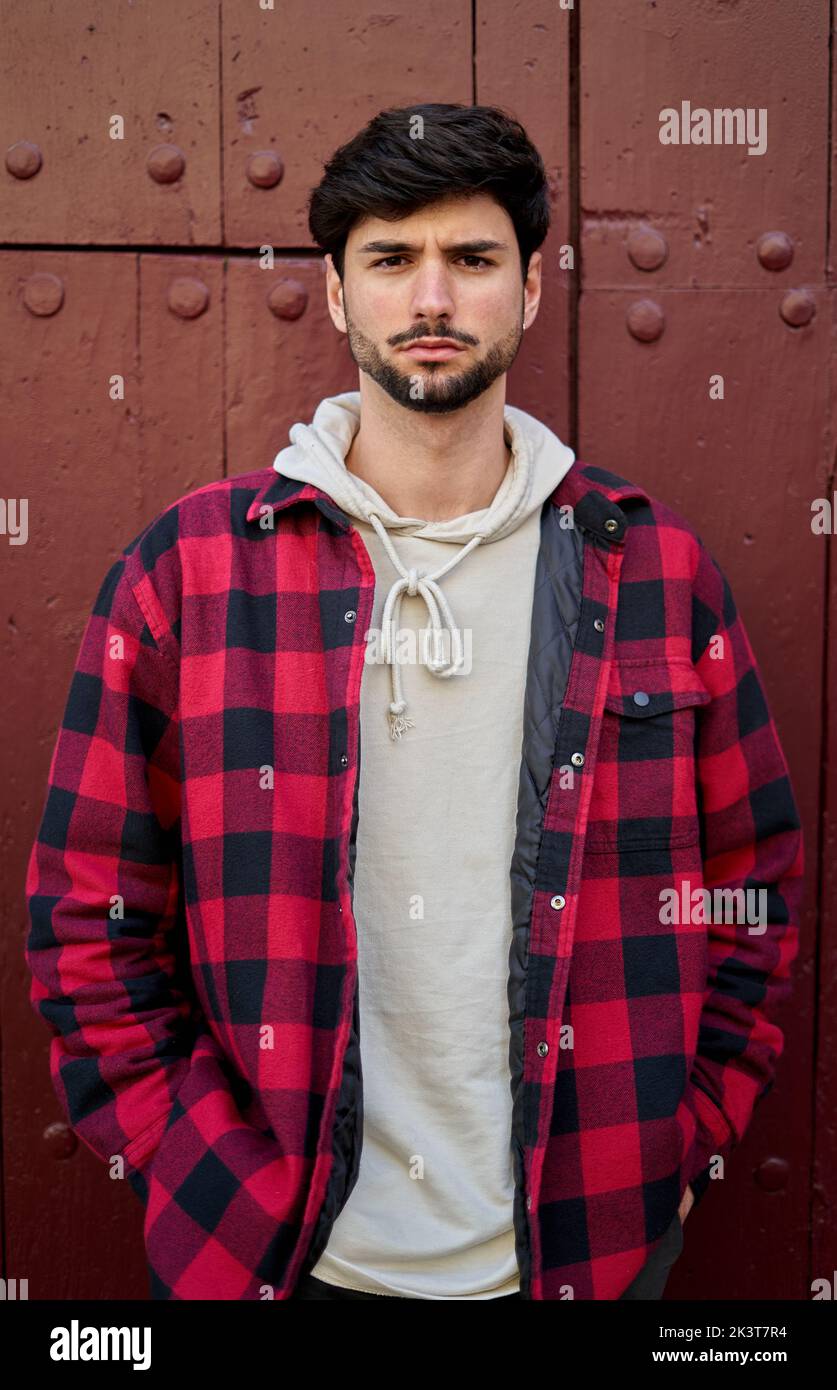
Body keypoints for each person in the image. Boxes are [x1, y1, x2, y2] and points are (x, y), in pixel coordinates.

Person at [24, 102, 804, 1302]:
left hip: (593, 1245)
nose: (431, 298)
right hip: (283, 1258)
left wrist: (685, 1136)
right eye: (391, 259)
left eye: (472, 259)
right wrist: (192, 1163)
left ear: (531, 290)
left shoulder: (653, 571)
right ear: (337, 296)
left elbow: (754, 883)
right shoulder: (192, 571)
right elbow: (90, 913)